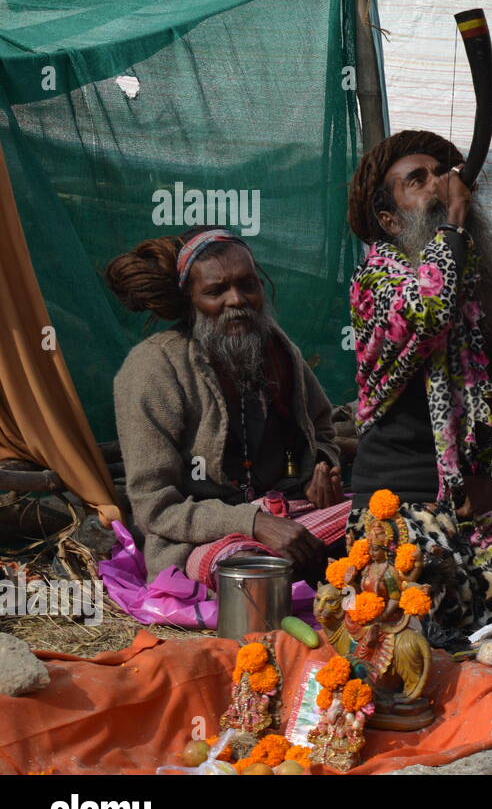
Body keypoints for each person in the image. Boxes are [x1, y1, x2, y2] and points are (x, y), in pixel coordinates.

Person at [344, 130, 492, 640]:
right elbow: (427, 311)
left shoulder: (491, 289)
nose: (441, 184)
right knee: (423, 632)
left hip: (479, 507)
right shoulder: (376, 285)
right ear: (390, 222)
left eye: (442, 173)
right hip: (400, 505)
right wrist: (454, 225)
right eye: (419, 180)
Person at [107, 228, 345, 587]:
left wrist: (323, 465)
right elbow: (154, 507)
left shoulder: (278, 351)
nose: (237, 300)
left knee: (389, 524)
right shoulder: (153, 368)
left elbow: (322, 429)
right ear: (190, 299)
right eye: (216, 291)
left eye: (248, 284)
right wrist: (253, 523)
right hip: (205, 542)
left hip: (292, 516)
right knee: (254, 573)